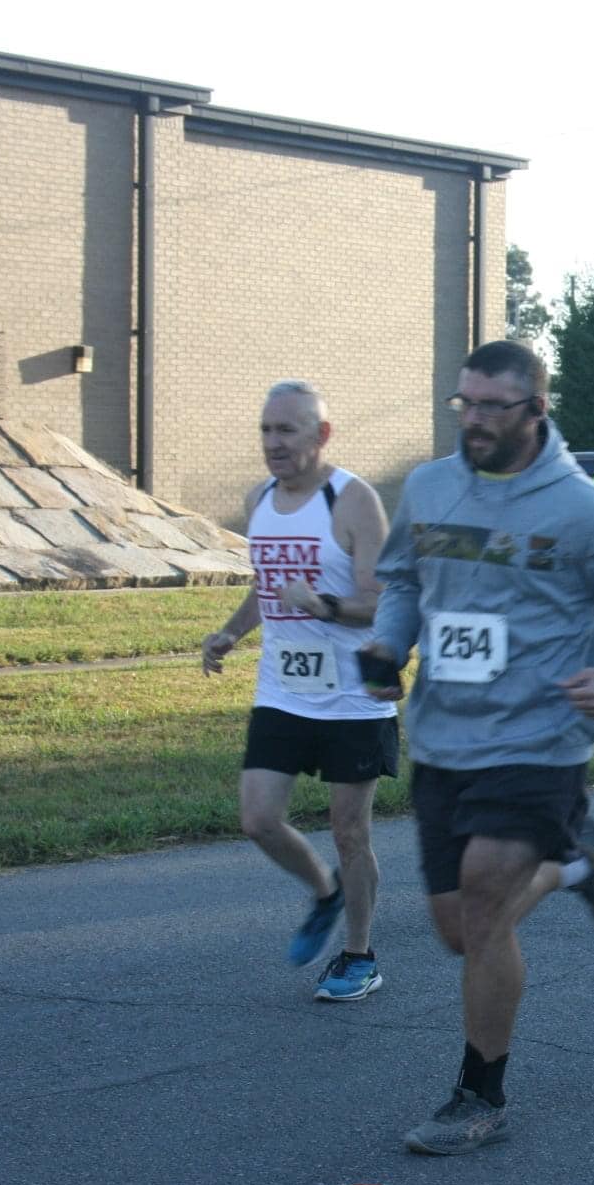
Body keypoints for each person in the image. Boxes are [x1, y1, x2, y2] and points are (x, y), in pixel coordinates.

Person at [364, 339, 594, 1155]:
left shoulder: (580, 508)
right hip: (443, 736)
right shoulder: (431, 487)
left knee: (482, 899)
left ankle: (480, 1094)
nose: (472, 420)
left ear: (536, 410)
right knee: (460, 932)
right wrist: (387, 648)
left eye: (490, 407)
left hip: (541, 737)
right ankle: (575, 862)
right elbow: (401, 581)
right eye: (463, 403)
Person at [199, 381, 397, 1001]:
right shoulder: (259, 498)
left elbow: (385, 604)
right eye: (265, 430)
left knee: (349, 831)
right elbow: (267, 585)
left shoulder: (352, 499)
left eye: (286, 431)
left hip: (353, 696)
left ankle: (359, 955)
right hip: (283, 690)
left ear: (322, 435)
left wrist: (327, 605)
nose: (273, 444)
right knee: (258, 819)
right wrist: (230, 633)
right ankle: (324, 892)